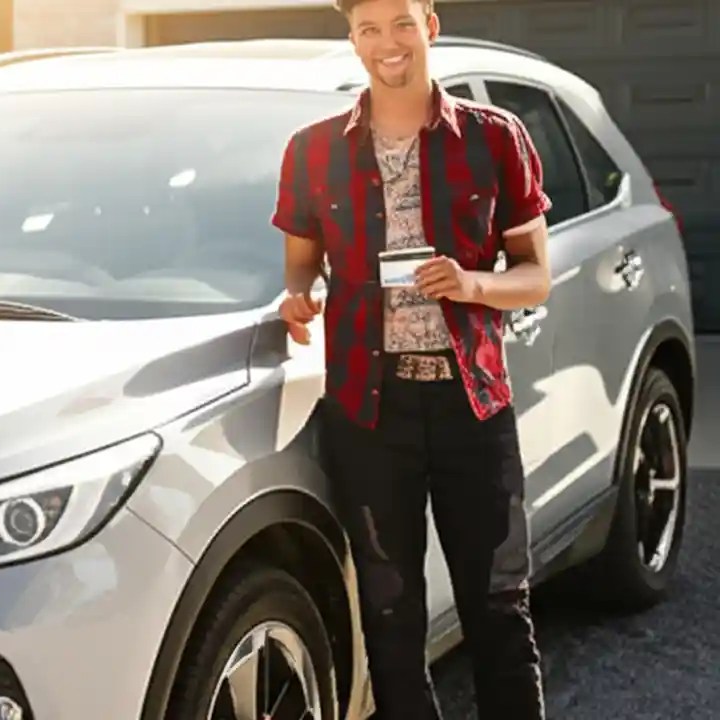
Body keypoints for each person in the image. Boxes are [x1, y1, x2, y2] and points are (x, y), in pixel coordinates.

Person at [271, 0, 551, 718]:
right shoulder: (312, 150)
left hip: (472, 407)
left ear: (429, 24)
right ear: (352, 39)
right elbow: (301, 267)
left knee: (498, 608)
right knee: (391, 619)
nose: (385, 43)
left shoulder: (495, 138)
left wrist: (472, 284)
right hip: (369, 413)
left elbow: (535, 275)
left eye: (400, 23)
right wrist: (298, 299)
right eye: (368, 29)